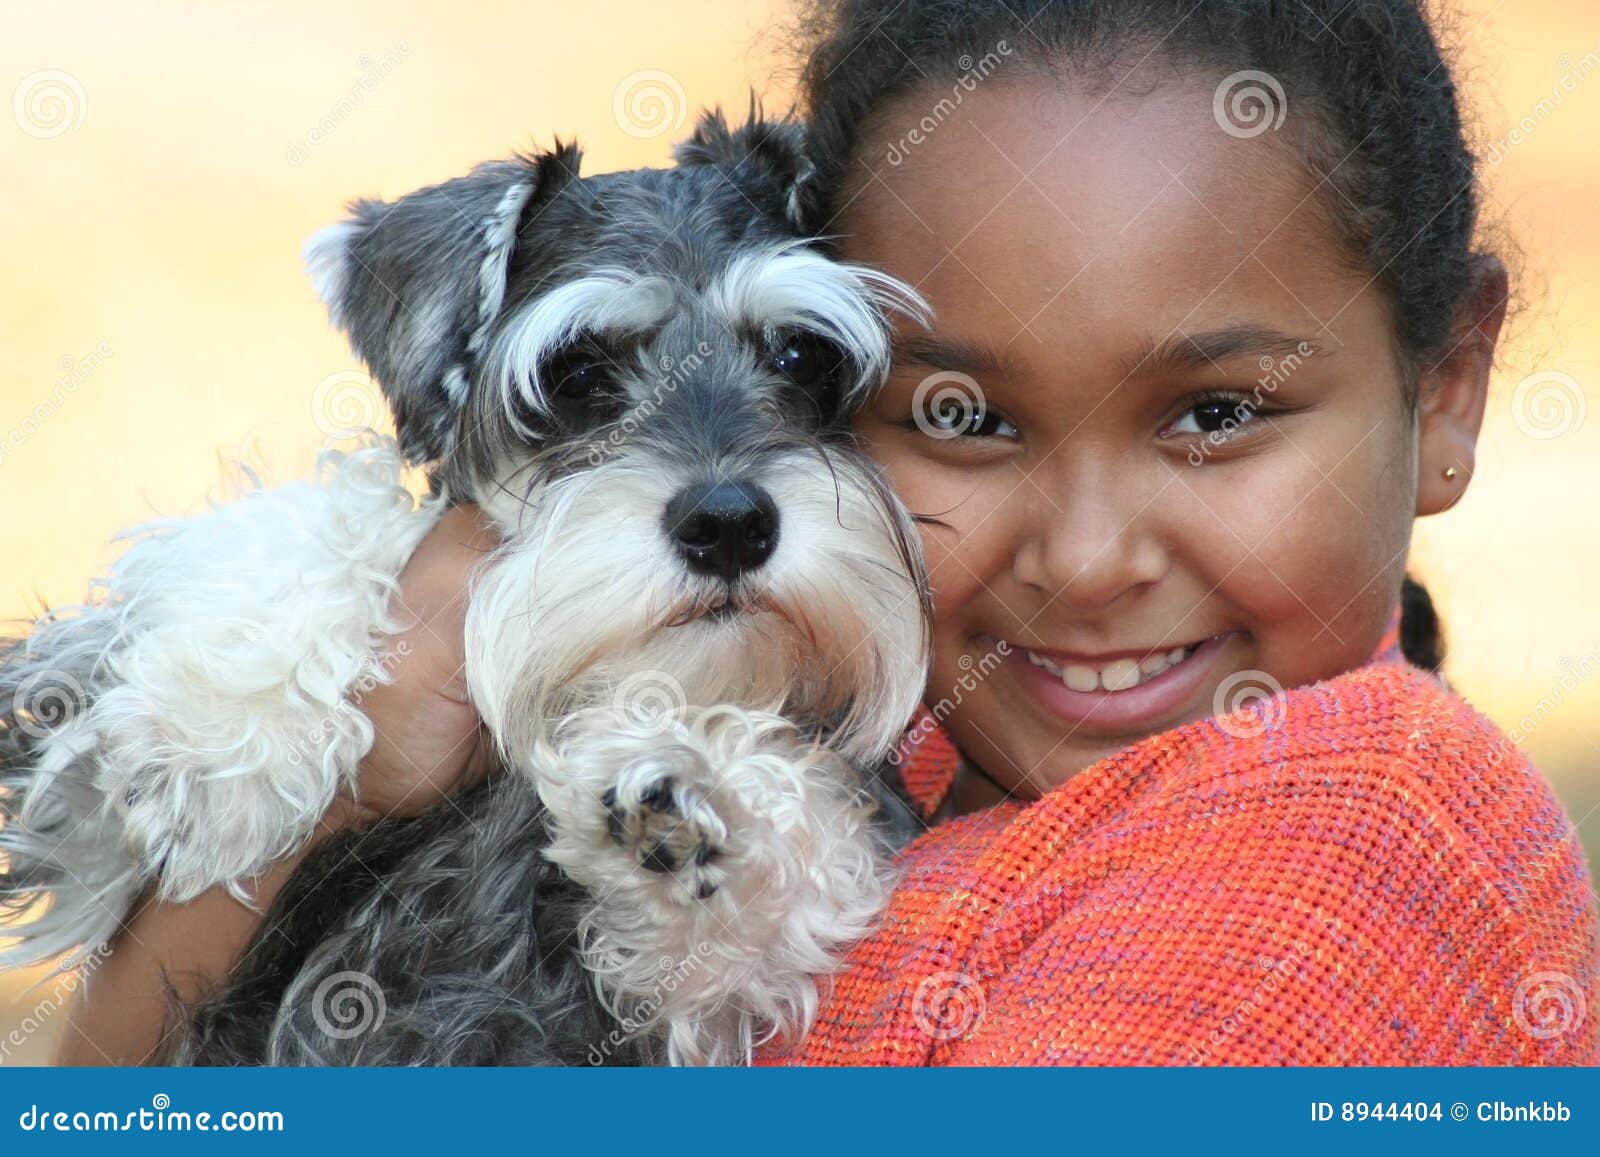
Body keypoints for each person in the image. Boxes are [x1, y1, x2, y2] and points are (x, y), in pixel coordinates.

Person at [58, 0, 1598, 1065]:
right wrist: (340, 783)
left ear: (1450, 384)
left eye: (1214, 414)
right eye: (959, 417)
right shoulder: (884, 730)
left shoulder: (1347, 847)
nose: (1084, 555)